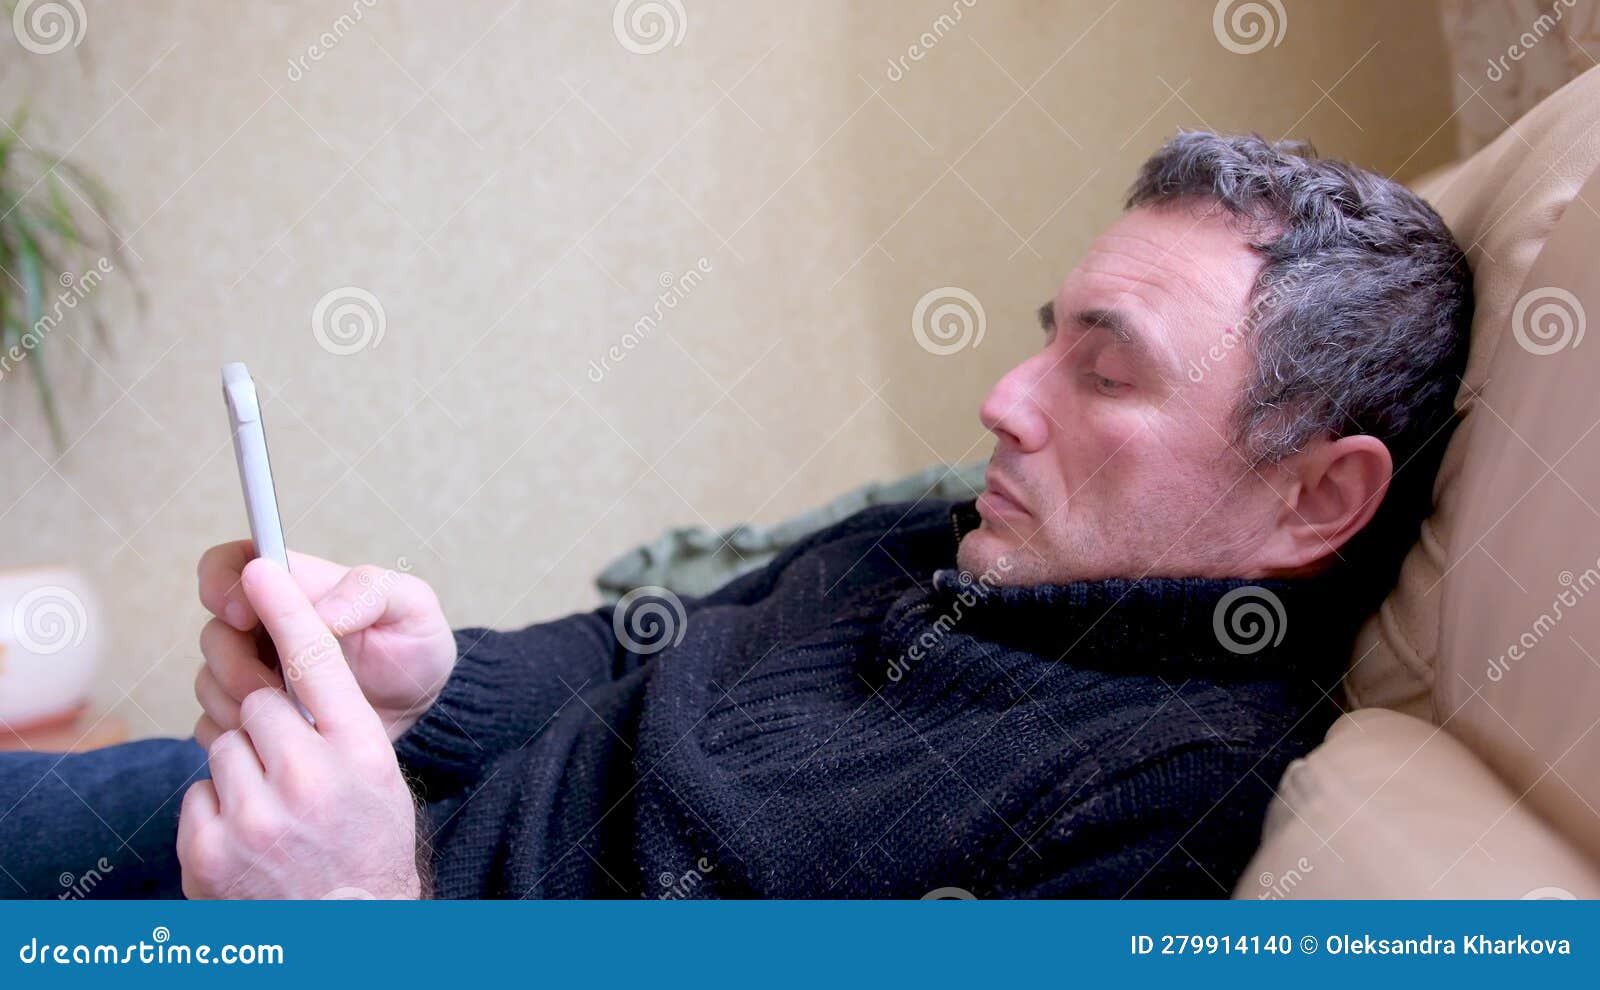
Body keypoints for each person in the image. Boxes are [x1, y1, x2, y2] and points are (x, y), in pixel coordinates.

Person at [0, 131, 1472, 899]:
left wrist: (354, 920)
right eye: (1046, 338)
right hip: (320, 840)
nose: (1007, 400)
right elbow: (648, 645)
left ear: (1315, 494)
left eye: (1106, 370)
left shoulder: (1163, 801)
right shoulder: (954, 539)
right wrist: (436, 678)